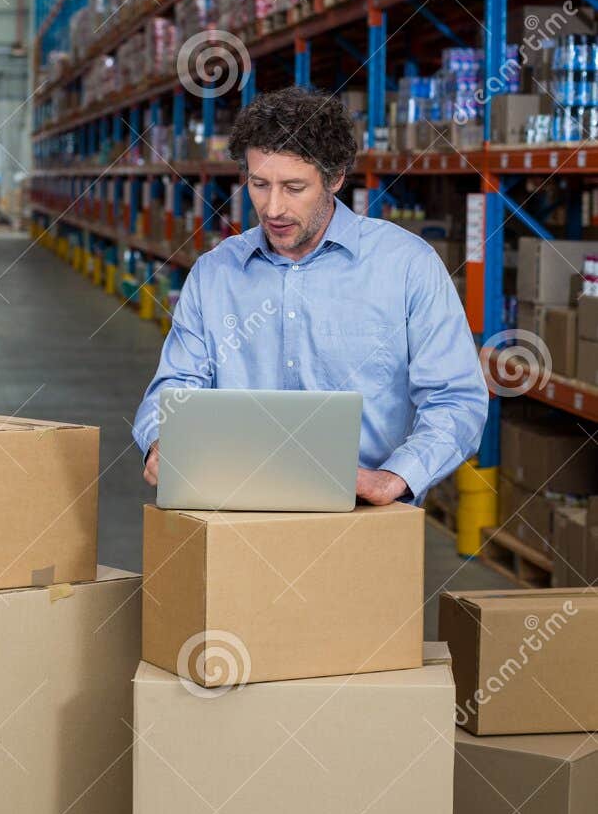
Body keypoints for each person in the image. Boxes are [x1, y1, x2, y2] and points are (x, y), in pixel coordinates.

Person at [133, 85, 487, 505]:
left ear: (335, 178)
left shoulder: (407, 266)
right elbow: (175, 386)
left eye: (294, 187)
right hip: (234, 506)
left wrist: (395, 476)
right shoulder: (214, 273)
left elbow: (455, 398)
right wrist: (162, 439)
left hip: (364, 515)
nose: (273, 208)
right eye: (259, 184)